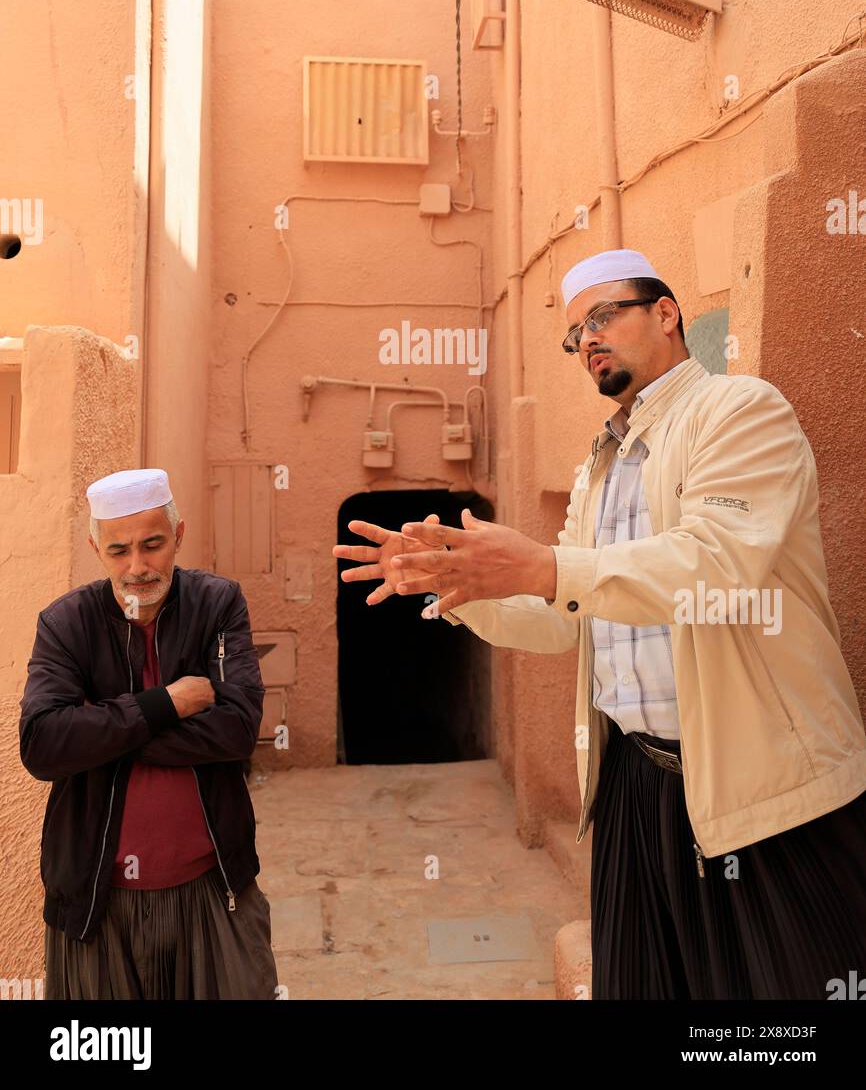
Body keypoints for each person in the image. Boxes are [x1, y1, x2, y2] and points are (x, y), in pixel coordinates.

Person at [333, 248, 866, 999]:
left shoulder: (741, 411)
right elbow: (566, 621)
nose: (587, 339)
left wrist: (547, 569)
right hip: (630, 786)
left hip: (759, 785)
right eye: (575, 331)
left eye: (604, 316)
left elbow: (714, 565)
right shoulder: (601, 468)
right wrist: (464, 585)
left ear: (667, 313)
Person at [20, 467, 279, 1000]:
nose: (137, 567)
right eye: (119, 551)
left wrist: (100, 730)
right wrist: (168, 703)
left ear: (178, 536)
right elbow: (43, 746)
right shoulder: (66, 623)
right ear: (96, 547)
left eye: (153, 545)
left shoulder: (218, 605)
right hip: (97, 897)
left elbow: (236, 728)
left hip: (213, 887)